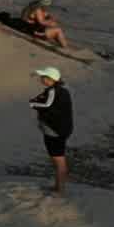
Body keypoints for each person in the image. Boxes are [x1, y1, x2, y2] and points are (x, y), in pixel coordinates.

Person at [31, 66, 74, 194]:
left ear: (51, 79)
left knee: (58, 160)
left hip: (55, 131)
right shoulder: (62, 90)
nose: (41, 78)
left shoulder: (53, 91)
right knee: (59, 159)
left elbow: (46, 104)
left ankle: (59, 189)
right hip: (61, 129)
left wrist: (32, 103)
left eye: (44, 77)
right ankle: (58, 187)